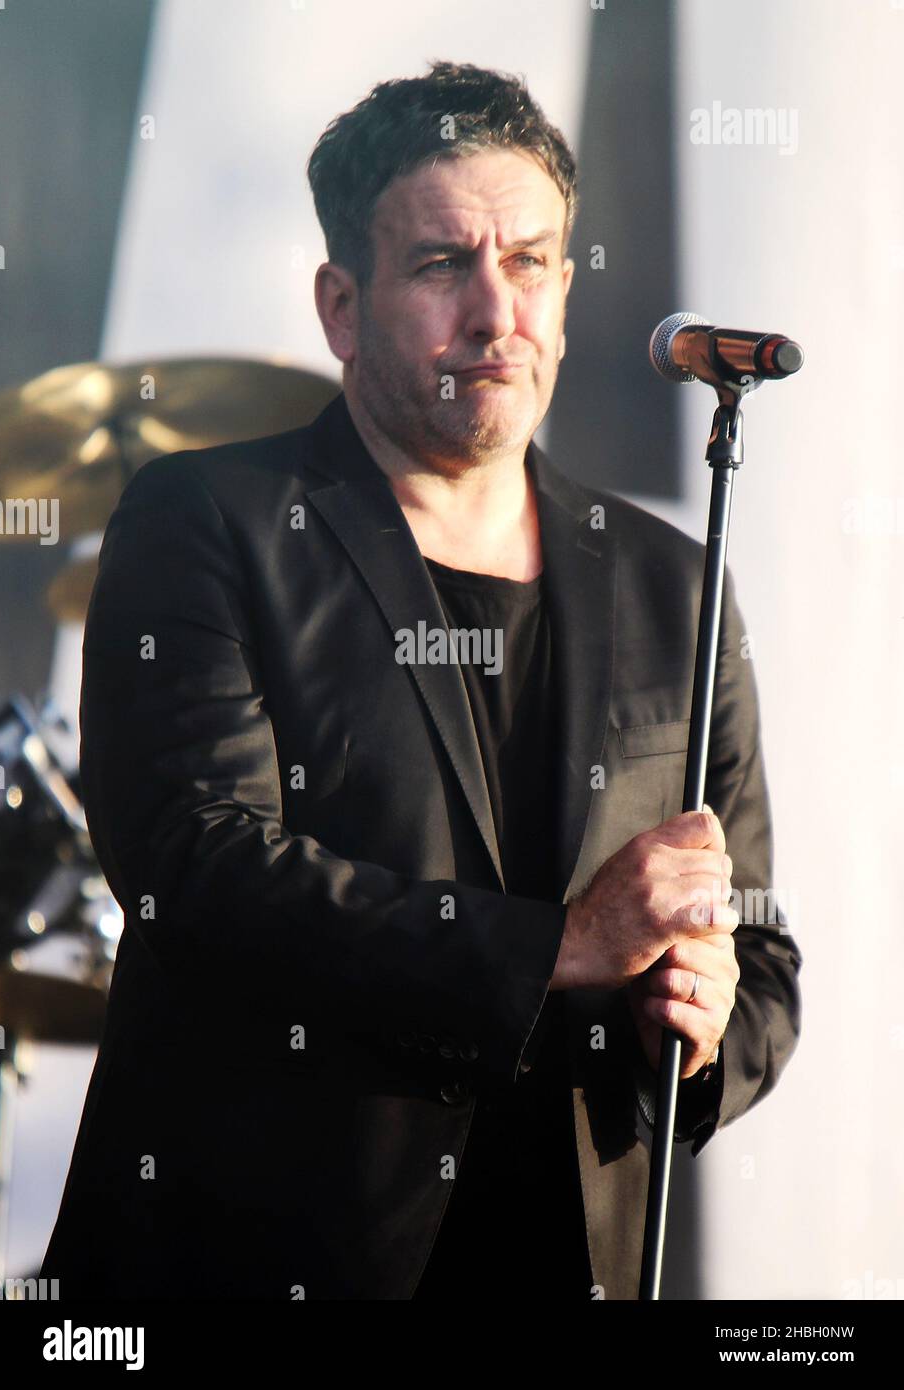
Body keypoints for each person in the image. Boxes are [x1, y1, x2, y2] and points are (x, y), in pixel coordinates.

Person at [40, 60, 802, 1301]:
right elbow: (199, 867)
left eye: (532, 262)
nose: (497, 314)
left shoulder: (675, 582)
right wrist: (558, 947)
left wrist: (708, 1022)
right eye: (445, 265)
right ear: (341, 306)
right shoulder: (207, 521)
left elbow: (760, 953)